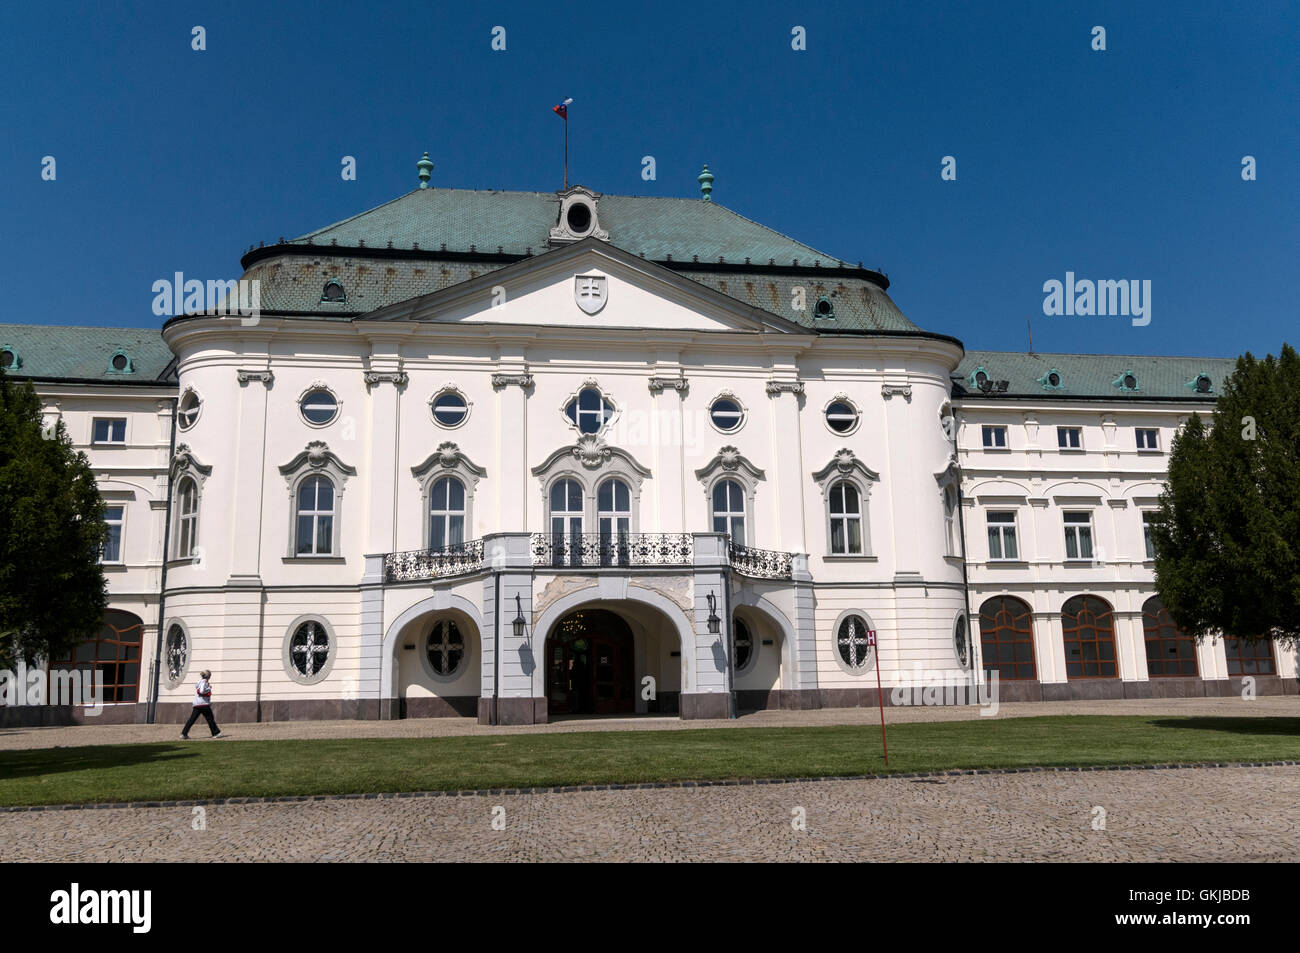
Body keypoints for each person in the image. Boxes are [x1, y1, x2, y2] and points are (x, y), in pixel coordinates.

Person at [182, 669, 224, 739]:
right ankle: (215, 733)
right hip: (204, 704)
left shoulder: (199, 682)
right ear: (208, 676)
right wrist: (209, 689)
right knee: (210, 719)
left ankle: (184, 733)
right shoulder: (205, 682)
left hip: (197, 704)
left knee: (192, 719)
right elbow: (201, 691)